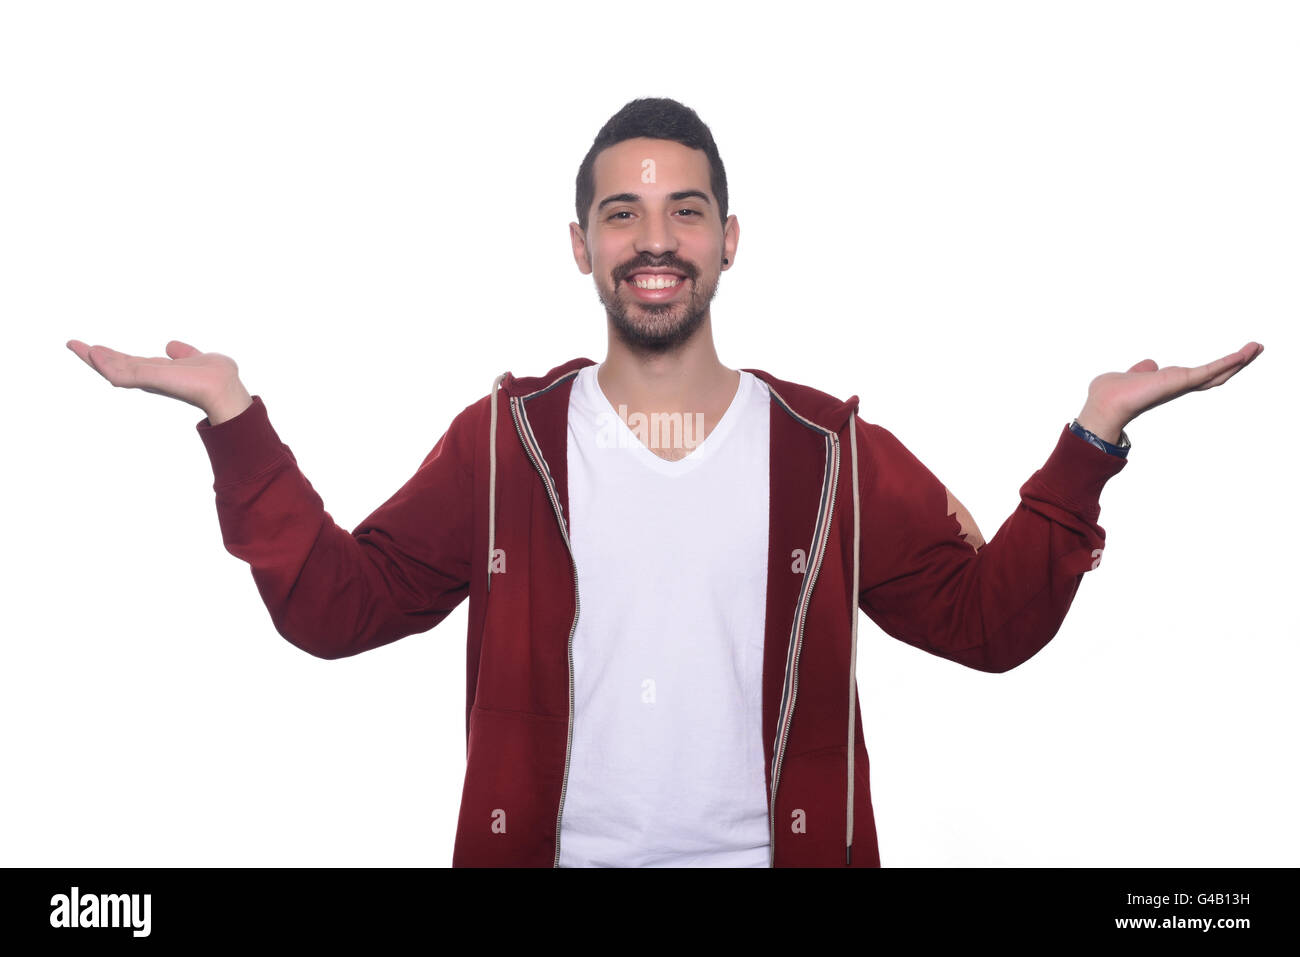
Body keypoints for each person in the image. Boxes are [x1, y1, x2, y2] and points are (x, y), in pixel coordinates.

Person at [66, 97, 1264, 867]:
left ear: (728, 240)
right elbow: (341, 611)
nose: (655, 240)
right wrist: (234, 421)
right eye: (622, 212)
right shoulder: (503, 445)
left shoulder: (829, 452)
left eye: (685, 211)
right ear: (580, 244)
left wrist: (1091, 438)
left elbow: (987, 628)